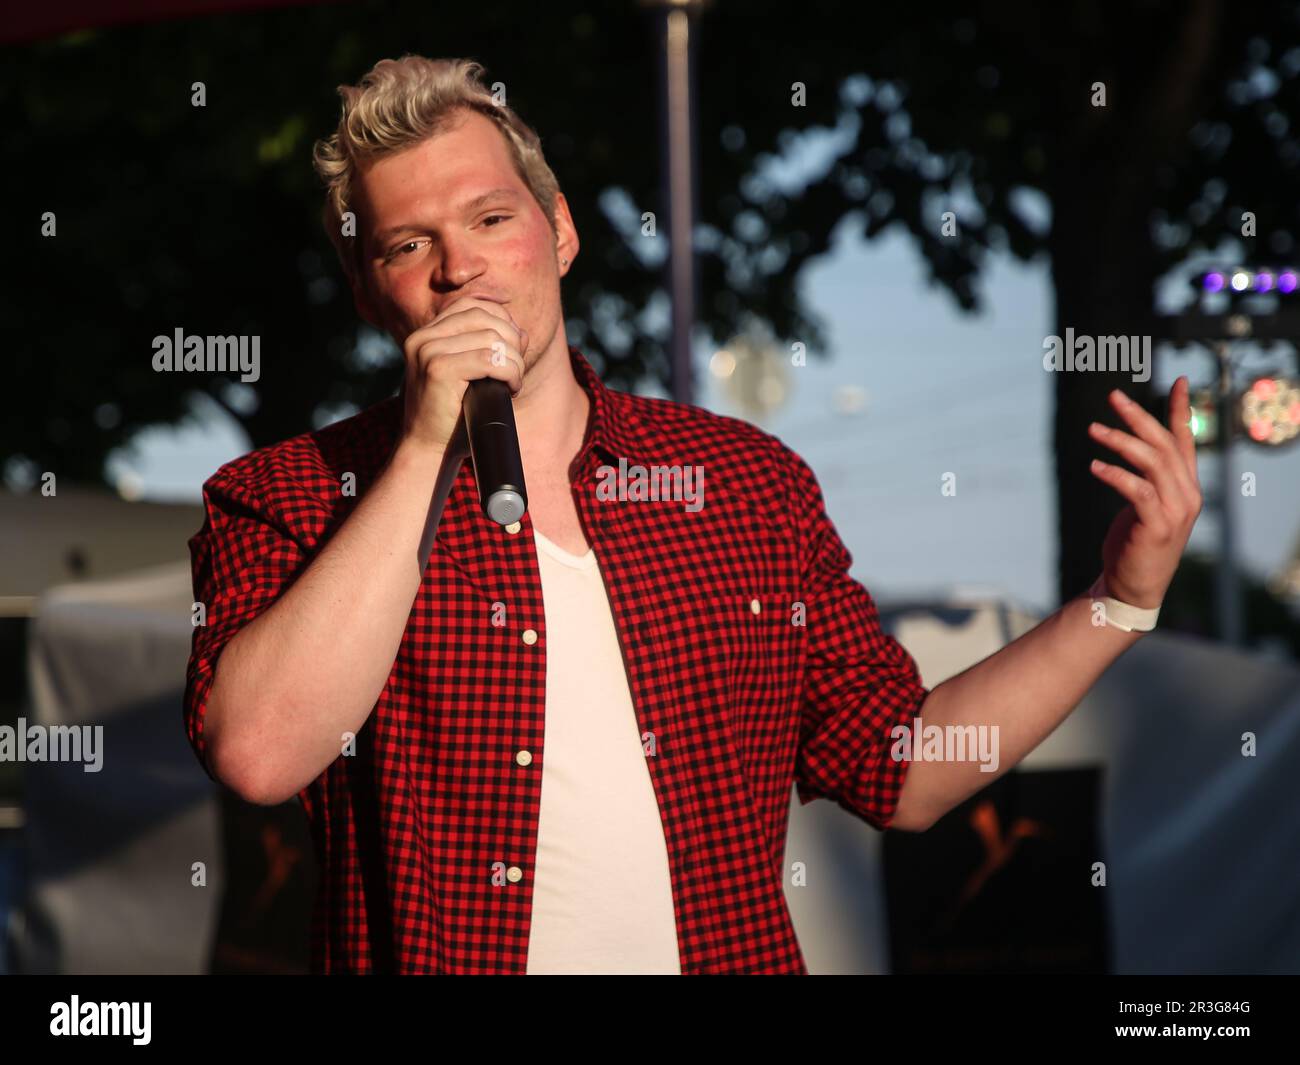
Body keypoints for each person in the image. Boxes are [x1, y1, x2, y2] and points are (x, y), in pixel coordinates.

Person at [183, 55, 1201, 975]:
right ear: (370, 292)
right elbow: (261, 755)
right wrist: (421, 450)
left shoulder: (745, 485)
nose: (461, 268)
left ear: (561, 231)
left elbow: (902, 769)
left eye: (491, 219)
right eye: (410, 244)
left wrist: (1118, 600)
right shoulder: (288, 495)